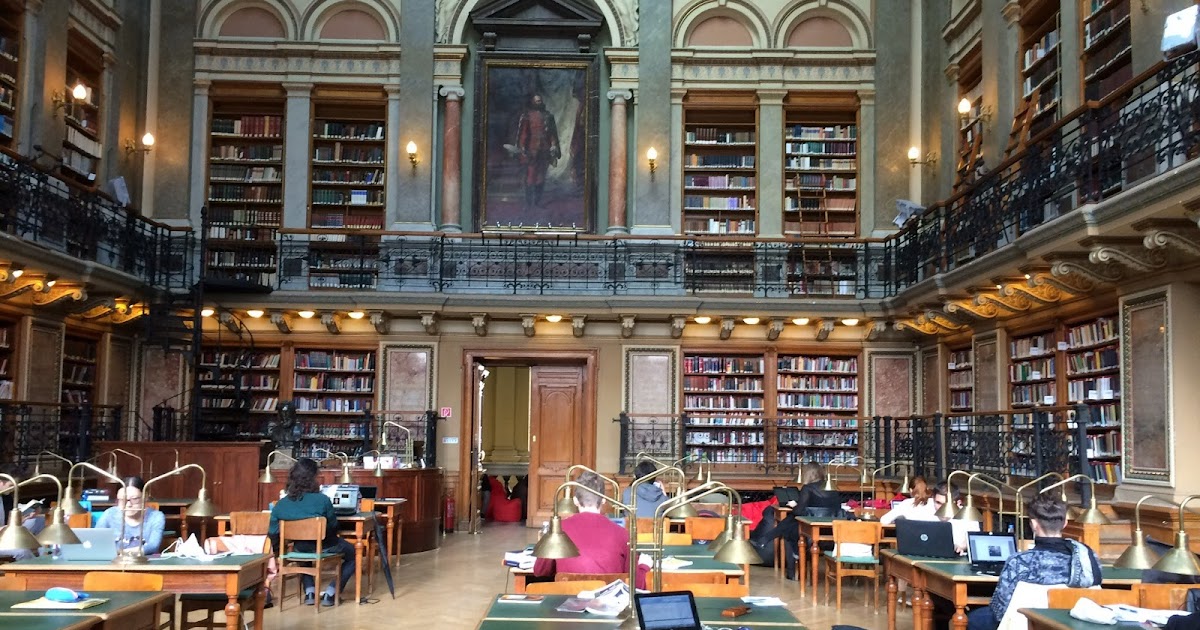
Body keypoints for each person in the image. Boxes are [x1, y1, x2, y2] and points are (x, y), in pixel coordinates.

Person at [965, 494, 1102, 630]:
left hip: (1026, 625)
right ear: (1065, 523)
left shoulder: (1020, 562)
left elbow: (1000, 612)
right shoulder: (1088, 557)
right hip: (1074, 624)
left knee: (974, 619)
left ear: (1033, 524)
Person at [533, 471, 650, 589]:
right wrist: (644, 567)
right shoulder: (622, 534)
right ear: (603, 500)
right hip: (609, 604)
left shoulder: (558, 530)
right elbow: (636, 585)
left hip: (567, 603)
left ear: (575, 500)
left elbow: (540, 571)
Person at [268, 458, 356, 607]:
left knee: (302, 552)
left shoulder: (281, 505)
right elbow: (333, 526)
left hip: (299, 548)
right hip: (325, 546)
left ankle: (309, 591)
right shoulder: (322, 500)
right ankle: (332, 592)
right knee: (353, 553)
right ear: (313, 478)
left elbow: (273, 532)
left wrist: (278, 552)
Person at [753, 462, 842, 579]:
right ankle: (766, 540)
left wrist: (794, 505)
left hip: (811, 530)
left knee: (790, 528)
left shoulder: (808, 488)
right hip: (832, 530)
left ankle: (789, 563)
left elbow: (798, 512)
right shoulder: (832, 487)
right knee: (791, 522)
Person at [94, 476, 166, 555]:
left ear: (145, 496)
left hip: (144, 564)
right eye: (122, 499)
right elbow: (95, 541)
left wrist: (119, 552)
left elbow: (153, 546)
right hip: (114, 564)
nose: (128, 504)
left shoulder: (156, 517)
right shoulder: (110, 514)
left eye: (134, 499)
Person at [516, 93, 561, 209]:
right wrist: (522, 149)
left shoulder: (548, 116)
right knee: (530, 177)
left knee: (541, 177)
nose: (539, 103)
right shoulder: (527, 116)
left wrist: (554, 146)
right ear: (532, 102)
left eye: (540, 101)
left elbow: (552, 134)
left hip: (544, 151)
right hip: (531, 152)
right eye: (536, 101)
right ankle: (528, 203)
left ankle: (537, 203)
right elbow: (523, 135)